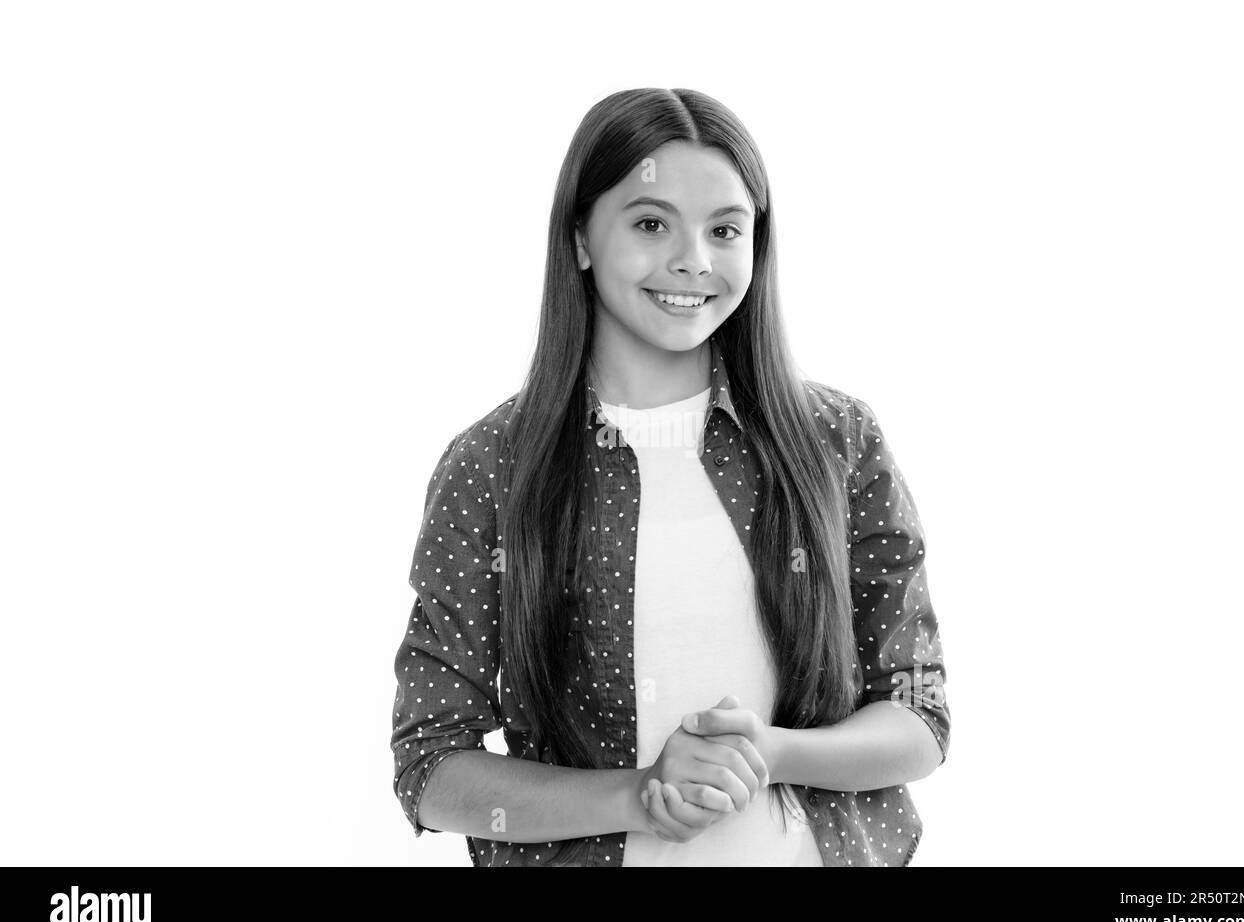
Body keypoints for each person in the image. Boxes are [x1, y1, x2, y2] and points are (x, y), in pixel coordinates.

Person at [390, 88, 951, 866]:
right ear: (582, 238)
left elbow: (919, 716)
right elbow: (430, 766)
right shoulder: (491, 466)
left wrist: (773, 752)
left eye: (725, 229)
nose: (693, 259)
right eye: (651, 223)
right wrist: (639, 793)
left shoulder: (837, 439)